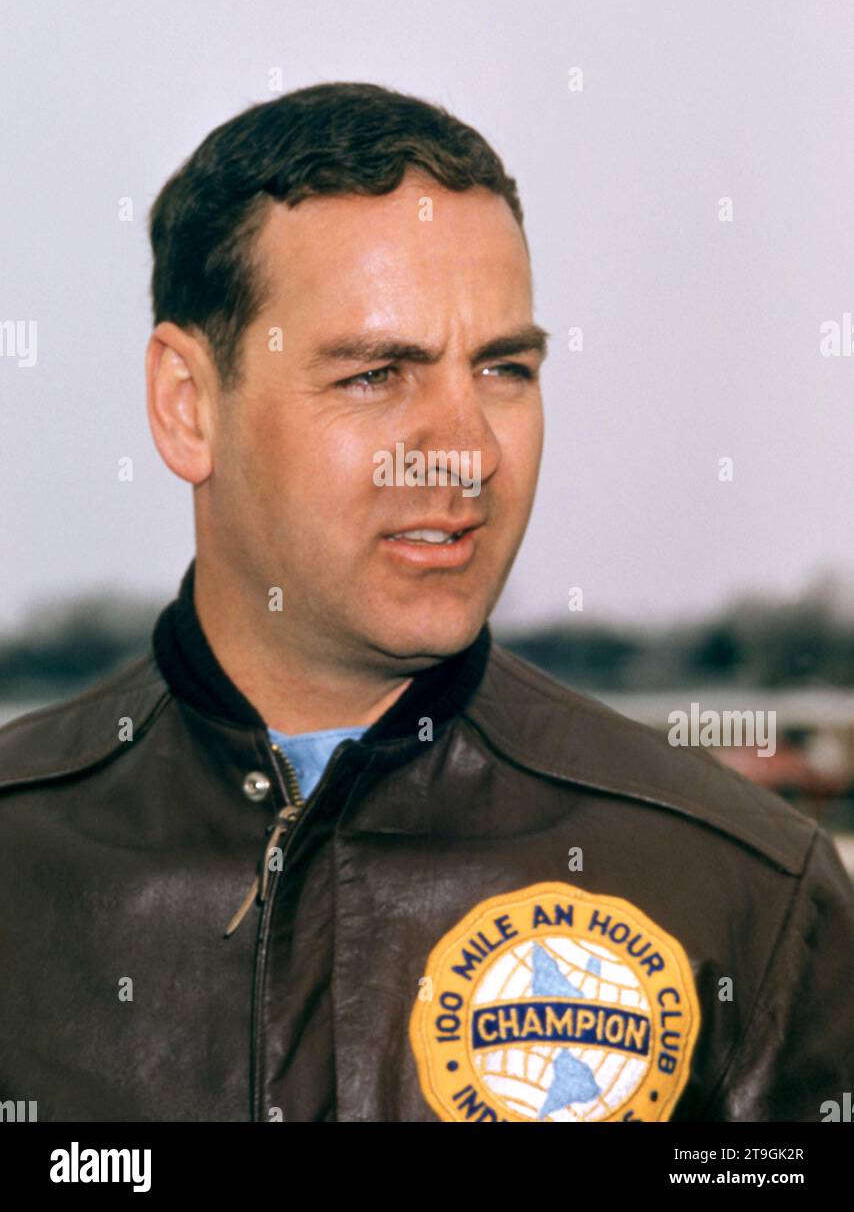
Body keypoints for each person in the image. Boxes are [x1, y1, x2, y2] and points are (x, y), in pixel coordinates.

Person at [1, 81, 852, 1124]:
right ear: (188, 406)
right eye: (374, 374)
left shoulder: (743, 894)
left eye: (504, 367)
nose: (467, 449)